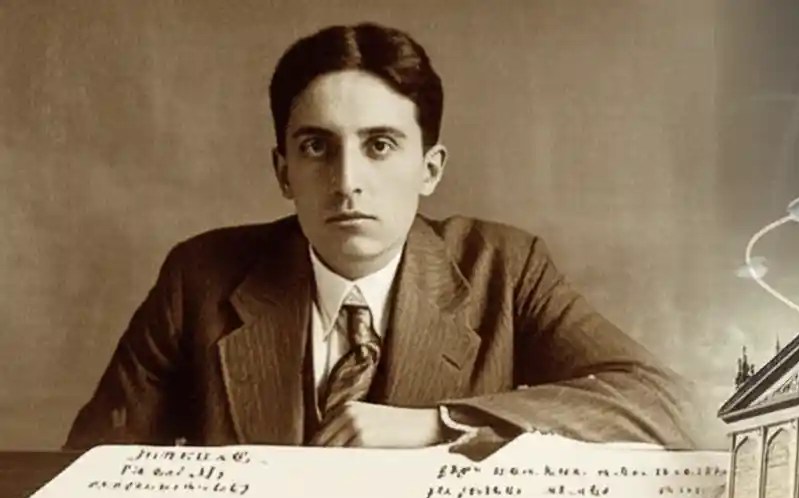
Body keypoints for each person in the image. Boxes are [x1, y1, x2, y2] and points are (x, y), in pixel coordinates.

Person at [65, 22, 697, 452]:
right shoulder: (200, 277)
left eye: (380, 145)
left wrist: (437, 424)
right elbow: (88, 472)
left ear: (430, 168)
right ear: (283, 171)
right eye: (317, 147)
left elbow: (667, 408)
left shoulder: (504, 270)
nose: (347, 182)